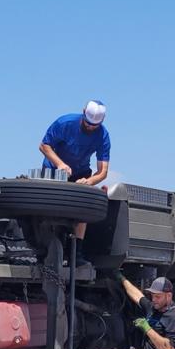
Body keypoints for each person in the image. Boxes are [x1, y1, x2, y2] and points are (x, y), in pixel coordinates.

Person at [38, 100, 111, 254]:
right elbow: (44, 146)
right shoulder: (65, 123)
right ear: (83, 112)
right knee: (48, 207)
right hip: (53, 171)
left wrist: (89, 181)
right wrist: (60, 164)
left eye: (94, 125)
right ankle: (44, 244)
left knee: (82, 209)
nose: (90, 127)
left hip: (80, 173)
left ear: (102, 121)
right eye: (88, 123)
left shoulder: (103, 136)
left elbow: (103, 171)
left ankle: (76, 251)